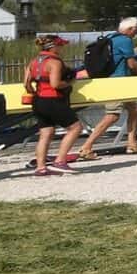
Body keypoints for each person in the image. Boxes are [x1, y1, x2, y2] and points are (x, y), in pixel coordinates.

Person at [76, 16, 137, 159]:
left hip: (109, 80)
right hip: (117, 82)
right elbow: (132, 64)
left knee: (135, 109)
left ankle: (132, 144)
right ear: (130, 29)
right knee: (112, 115)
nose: (136, 34)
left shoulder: (110, 37)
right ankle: (86, 147)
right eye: (136, 31)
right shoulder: (125, 40)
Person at [24, 34, 85, 176]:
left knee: (46, 133)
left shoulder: (33, 62)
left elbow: (26, 84)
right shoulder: (54, 62)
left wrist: (35, 92)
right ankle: (60, 161)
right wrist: (70, 82)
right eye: (60, 46)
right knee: (75, 128)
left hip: (38, 100)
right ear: (54, 47)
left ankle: (41, 167)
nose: (62, 48)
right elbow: (55, 84)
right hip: (53, 99)